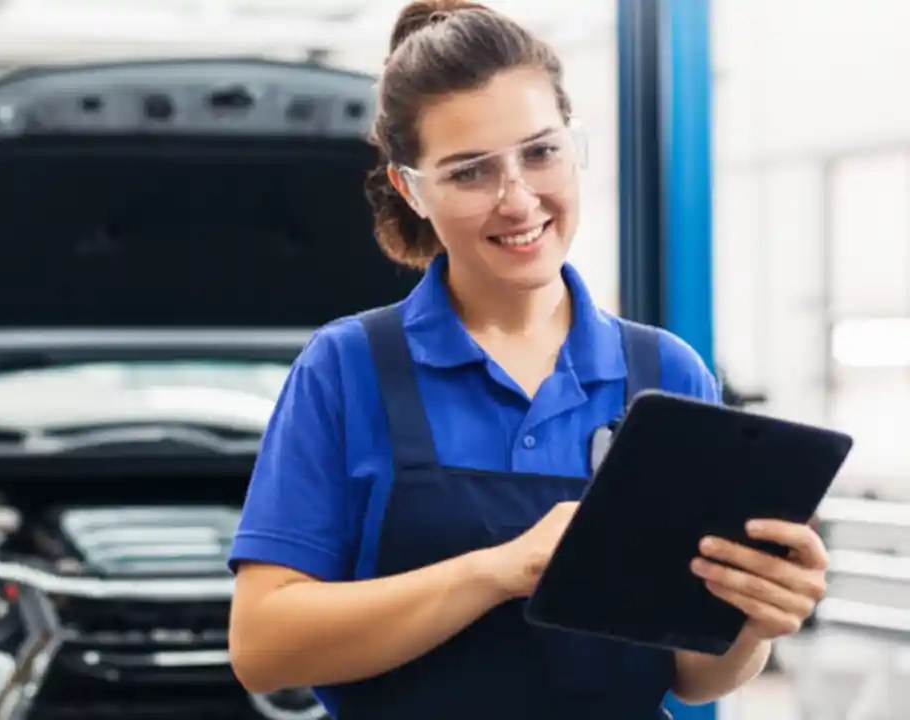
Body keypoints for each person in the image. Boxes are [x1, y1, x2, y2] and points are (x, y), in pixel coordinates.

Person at [226, 1, 829, 718]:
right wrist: (498, 571)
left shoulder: (666, 374)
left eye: (540, 152)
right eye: (471, 172)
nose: (518, 200)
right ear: (410, 190)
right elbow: (264, 646)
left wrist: (754, 617)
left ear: (574, 146)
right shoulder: (348, 368)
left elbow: (694, 675)